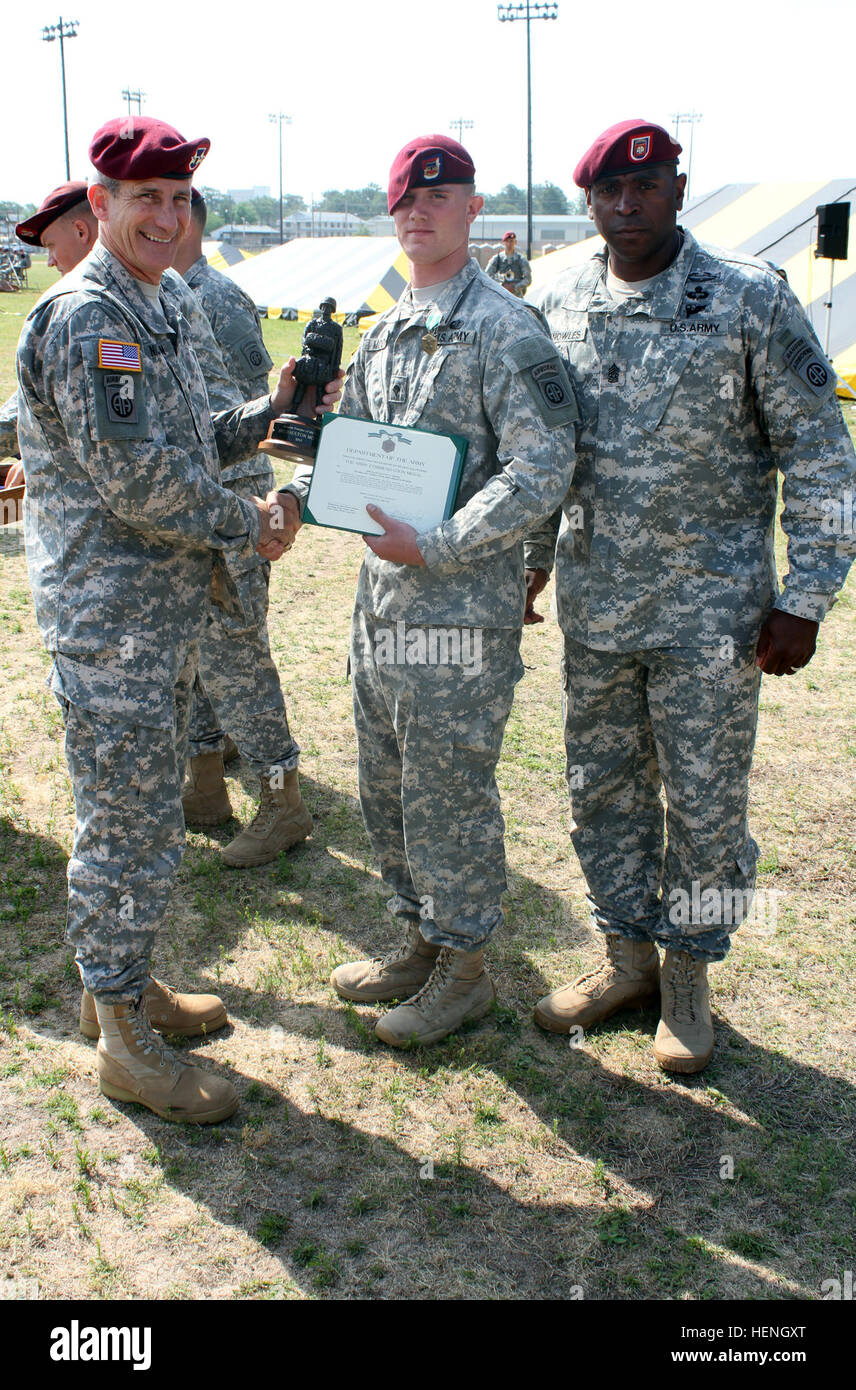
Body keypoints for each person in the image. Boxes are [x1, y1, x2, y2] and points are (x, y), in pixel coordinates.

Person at [15, 115, 339, 1123]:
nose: (166, 214)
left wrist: (266, 410)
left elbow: (186, 434)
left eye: (179, 197)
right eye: (144, 197)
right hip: (116, 620)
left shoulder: (159, 304)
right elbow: (137, 479)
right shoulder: (89, 317)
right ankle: (123, 1042)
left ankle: (118, 988)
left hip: (155, 613)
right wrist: (251, 520)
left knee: (133, 815)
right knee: (128, 827)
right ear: (100, 206)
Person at [525, 119, 856, 1073]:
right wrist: (531, 562)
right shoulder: (559, 298)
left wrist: (809, 596)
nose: (627, 208)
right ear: (587, 202)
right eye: (607, 195)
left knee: (706, 806)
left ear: (678, 187)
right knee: (601, 790)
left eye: (647, 188)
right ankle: (624, 957)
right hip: (596, 609)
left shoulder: (748, 298)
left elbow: (820, 452)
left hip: (714, 619)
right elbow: (548, 452)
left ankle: (689, 978)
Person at [278, 134, 575, 1047]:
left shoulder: (505, 326)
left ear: (474, 210)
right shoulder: (392, 323)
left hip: (458, 608)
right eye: (407, 197)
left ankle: (465, 969)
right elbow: (353, 442)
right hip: (382, 601)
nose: (421, 210)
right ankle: (419, 937)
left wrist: (440, 543)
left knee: (449, 788)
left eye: (440, 197)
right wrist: (293, 495)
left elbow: (544, 463)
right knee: (388, 781)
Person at [173, 189, 311, 866]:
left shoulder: (213, 297)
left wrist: (248, 517)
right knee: (198, 659)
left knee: (235, 660)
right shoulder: (156, 295)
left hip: (231, 501)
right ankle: (204, 788)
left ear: (187, 227)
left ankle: (281, 801)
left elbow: (245, 414)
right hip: (190, 507)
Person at [1, 182, 99, 479]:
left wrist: (41, 458)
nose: (50, 261)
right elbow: (30, 402)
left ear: (82, 232)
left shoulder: (83, 313)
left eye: (52, 246)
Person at [485, 231, 531, 298]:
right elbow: (487, 275)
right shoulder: (497, 259)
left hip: (516, 296)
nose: (509, 244)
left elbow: (528, 279)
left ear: (515, 242)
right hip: (500, 295)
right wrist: (501, 285)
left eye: (512, 241)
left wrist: (515, 287)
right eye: (507, 241)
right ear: (504, 242)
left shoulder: (521, 259)